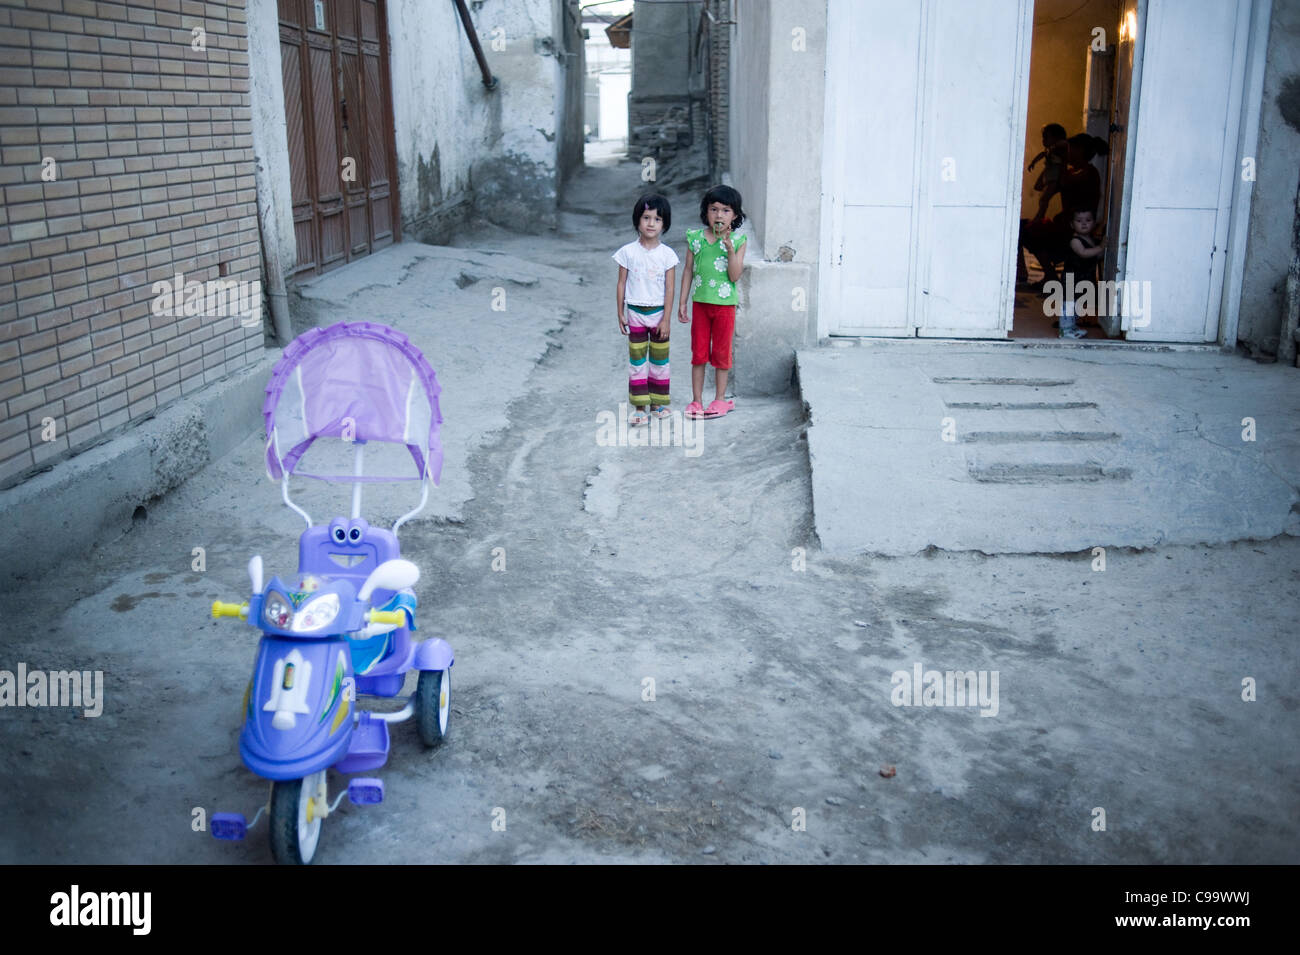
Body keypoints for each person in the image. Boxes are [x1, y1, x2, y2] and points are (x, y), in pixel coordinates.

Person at [677, 185, 747, 420]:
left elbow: (735, 275)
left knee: (721, 352)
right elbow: (688, 270)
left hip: (725, 306)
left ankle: (720, 399)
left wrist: (729, 250)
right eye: (714, 209)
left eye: (726, 210)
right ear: (705, 212)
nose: (719, 215)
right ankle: (696, 401)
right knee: (698, 352)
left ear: (735, 215)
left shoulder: (737, 241)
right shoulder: (695, 238)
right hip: (700, 304)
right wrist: (682, 301)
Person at [614, 194, 678, 425]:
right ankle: (640, 407)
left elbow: (670, 289)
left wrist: (667, 320)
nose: (651, 223)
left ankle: (658, 403)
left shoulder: (668, 255)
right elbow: (621, 283)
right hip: (635, 314)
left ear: (665, 224)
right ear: (637, 221)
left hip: (659, 314)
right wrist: (620, 312)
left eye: (658, 219)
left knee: (660, 362)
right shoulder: (627, 252)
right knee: (638, 361)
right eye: (646, 217)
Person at [1059, 207, 1106, 339]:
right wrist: (1100, 247)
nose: (1084, 223)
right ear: (1072, 224)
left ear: (1094, 222)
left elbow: (1095, 255)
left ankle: (1071, 326)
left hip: (1084, 278)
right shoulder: (1075, 241)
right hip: (1071, 279)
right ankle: (1065, 330)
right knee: (1069, 304)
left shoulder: (1091, 239)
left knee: (1078, 305)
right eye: (1079, 221)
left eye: (1088, 220)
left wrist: (1102, 250)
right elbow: (1083, 253)